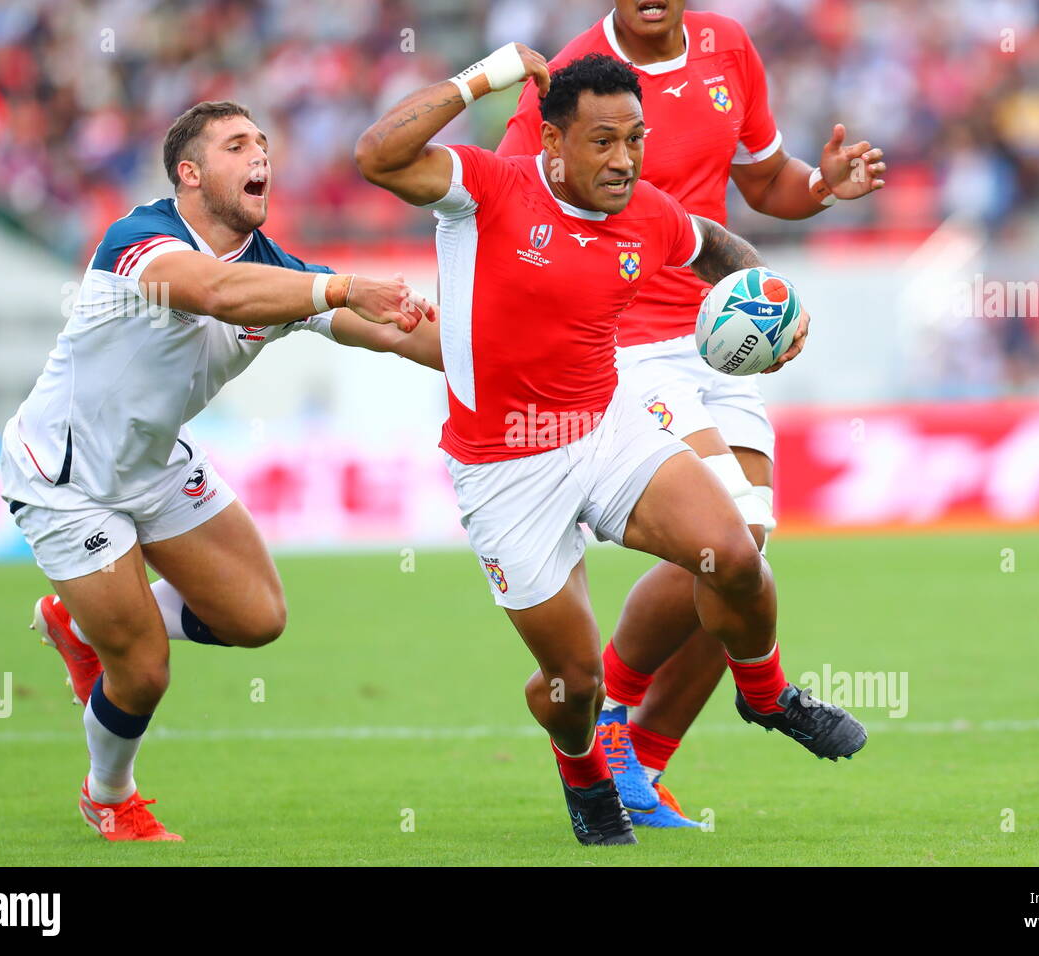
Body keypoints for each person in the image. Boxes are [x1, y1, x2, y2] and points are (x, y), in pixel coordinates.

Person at [354, 46, 866, 846]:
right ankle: (583, 766)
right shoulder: (489, 186)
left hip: (606, 425)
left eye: (634, 139)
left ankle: (766, 696)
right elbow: (376, 155)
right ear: (551, 143)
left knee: (735, 555)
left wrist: (775, 308)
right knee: (573, 682)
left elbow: (714, 245)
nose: (624, 159)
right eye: (602, 141)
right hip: (504, 468)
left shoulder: (647, 211)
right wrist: (481, 78)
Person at [495, 0, 886, 825]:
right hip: (624, 338)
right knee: (730, 535)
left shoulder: (727, 47)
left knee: (745, 557)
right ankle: (624, 713)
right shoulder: (572, 80)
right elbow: (508, 204)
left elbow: (764, 182)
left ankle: (644, 765)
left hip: (718, 334)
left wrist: (822, 187)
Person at [4, 100, 438, 841]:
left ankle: (81, 620)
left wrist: (502, 356)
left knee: (256, 618)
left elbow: (395, 332)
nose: (260, 155)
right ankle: (110, 795)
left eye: (264, 143)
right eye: (238, 145)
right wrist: (337, 288)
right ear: (191, 173)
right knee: (140, 670)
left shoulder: (277, 271)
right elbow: (211, 291)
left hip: (156, 461)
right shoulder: (138, 240)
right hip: (66, 478)